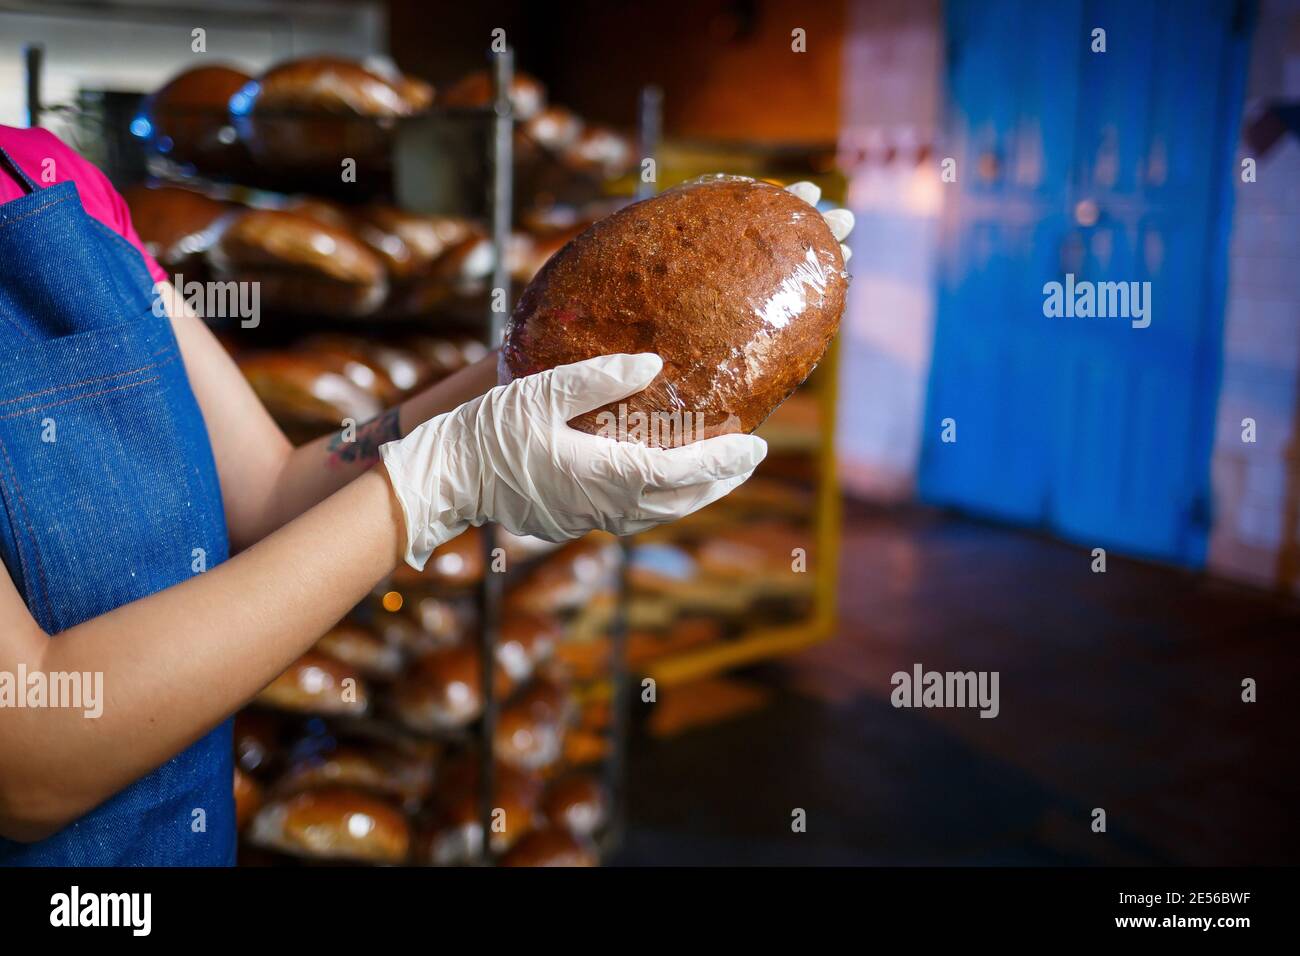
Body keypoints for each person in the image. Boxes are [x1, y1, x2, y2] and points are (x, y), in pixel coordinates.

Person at [0, 125, 772, 865]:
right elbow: (33, 759)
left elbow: (270, 490)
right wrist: (434, 483)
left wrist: (520, 371)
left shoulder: (56, 180)